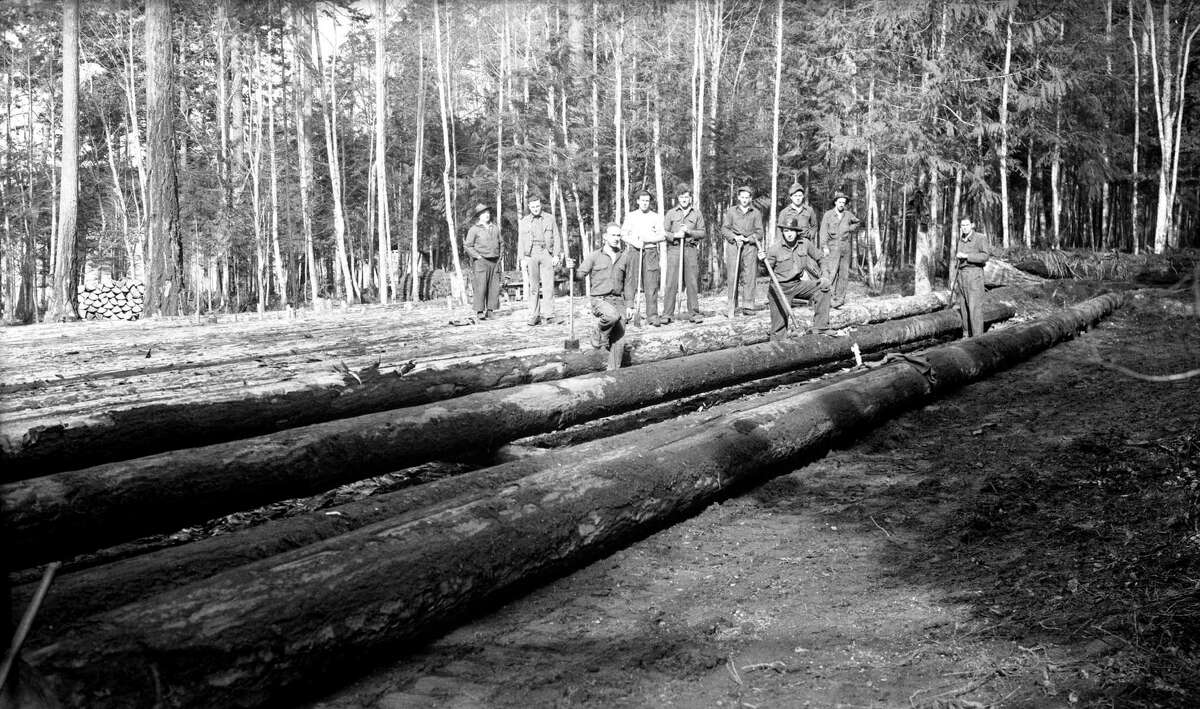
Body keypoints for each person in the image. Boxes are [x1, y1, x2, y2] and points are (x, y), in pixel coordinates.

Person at [567, 223, 637, 371]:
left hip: (618, 300)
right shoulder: (594, 256)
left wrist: (630, 305)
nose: (616, 238)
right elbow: (579, 275)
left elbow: (629, 283)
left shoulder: (625, 257)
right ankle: (598, 332)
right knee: (612, 316)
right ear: (605, 237)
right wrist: (568, 269)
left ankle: (613, 373)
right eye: (613, 235)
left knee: (619, 340)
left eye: (618, 235)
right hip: (599, 300)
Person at [759, 215, 832, 340]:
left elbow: (821, 258)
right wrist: (761, 261)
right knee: (779, 329)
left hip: (798, 284)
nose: (789, 234)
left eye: (792, 230)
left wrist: (824, 275)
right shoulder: (774, 249)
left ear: (797, 231)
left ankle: (821, 328)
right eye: (786, 231)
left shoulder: (805, 244)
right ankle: (778, 350)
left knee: (823, 288)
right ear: (782, 232)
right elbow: (765, 271)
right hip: (779, 288)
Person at [662, 183, 706, 324]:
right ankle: (667, 314)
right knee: (671, 282)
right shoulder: (671, 213)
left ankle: (694, 312)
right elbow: (664, 232)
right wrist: (675, 235)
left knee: (692, 282)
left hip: (690, 249)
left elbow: (703, 232)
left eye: (686, 196)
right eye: (681, 197)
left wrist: (689, 232)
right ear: (678, 198)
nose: (684, 199)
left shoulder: (696, 213)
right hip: (674, 249)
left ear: (690, 197)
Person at [621, 189, 666, 325]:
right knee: (631, 280)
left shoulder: (655, 216)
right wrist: (634, 241)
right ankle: (629, 311)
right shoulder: (631, 216)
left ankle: (652, 315)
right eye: (643, 200)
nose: (645, 203)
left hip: (651, 251)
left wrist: (649, 239)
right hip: (634, 251)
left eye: (647, 201)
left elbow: (663, 236)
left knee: (651, 282)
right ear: (638, 201)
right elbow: (623, 234)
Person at [517, 192, 561, 326]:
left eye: (537, 206)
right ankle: (534, 315)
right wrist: (522, 259)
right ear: (529, 207)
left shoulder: (550, 218)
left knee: (548, 285)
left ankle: (549, 315)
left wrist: (556, 255)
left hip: (546, 253)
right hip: (531, 255)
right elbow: (520, 241)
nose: (535, 209)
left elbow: (557, 237)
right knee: (533, 287)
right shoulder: (524, 221)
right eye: (532, 207)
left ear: (540, 205)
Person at [721, 185, 764, 316]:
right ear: (738, 197)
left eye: (747, 197)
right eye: (742, 197)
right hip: (734, 246)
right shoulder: (731, 211)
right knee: (733, 275)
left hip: (750, 247)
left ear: (751, 198)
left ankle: (748, 305)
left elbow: (760, 233)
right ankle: (732, 306)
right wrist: (735, 237)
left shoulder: (756, 213)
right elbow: (724, 229)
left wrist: (748, 239)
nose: (745, 200)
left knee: (749, 275)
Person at [818, 191, 860, 309]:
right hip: (832, 246)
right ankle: (829, 298)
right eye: (840, 202)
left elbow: (857, 222)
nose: (842, 204)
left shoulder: (848, 214)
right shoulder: (828, 215)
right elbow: (823, 231)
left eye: (844, 202)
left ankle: (840, 299)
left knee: (844, 274)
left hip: (845, 247)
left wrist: (849, 228)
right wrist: (824, 246)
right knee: (831, 273)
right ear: (835, 202)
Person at [954, 217, 993, 338]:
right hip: (961, 275)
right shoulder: (961, 240)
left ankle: (977, 338)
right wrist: (954, 279)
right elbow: (958, 261)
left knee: (975, 307)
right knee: (964, 307)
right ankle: (966, 335)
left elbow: (985, 256)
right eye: (962, 226)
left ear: (972, 225)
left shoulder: (980, 238)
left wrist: (966, 256)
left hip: (974, 275)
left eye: (966, 225)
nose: (964, 227)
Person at [463, 203, 501, 320]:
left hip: (494, 261)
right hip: (481, 261)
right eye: (484, 213)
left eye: (488, 213)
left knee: (493, 287)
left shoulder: (495, 228)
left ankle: (490, 310)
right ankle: (479, 311)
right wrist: (477, 257)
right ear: (479, 216)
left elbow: (501, 243)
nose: (487, 215)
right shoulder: (474, 230)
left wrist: (500, 257)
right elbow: (468, 246)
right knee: (481, 286)